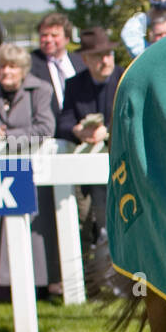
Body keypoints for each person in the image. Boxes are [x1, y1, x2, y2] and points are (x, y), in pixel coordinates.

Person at [0, 44, 59, 299]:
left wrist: (5, 137)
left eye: (12, 67)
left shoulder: (41, 90)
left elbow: (45, 127)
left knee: (35, 230)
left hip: (32, 172)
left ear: (22, 70)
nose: (6, 72)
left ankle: (41, 285)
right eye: (2, 66)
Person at [57, 26, 124, 246]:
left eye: (108, 55)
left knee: (118, 224)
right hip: (85, 168)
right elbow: (63, 123)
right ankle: (91, 277)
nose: (105, 61)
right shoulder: (75, 85)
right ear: (85, 60)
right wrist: (78, 131)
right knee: (84, 223)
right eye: (98, 57)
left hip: (121, 168)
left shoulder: (125, 78)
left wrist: (108, 130)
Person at [29, 12, 86, 120]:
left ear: (67, 38)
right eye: (44, 35)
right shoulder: (30, 64)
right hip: (48, 130)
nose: (48, 40)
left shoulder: (80, 61)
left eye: (54, 35)